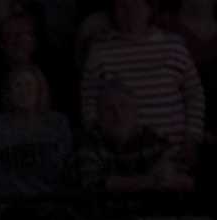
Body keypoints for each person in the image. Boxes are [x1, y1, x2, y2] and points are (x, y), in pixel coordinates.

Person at [81, 0, 206, 158]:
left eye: (135, 4)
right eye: (121, 6)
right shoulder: (100, 51)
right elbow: (89, 104)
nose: (129, 12)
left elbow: (194, 94)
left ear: (149, 8)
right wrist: (104, 147)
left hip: (176, 154)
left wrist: (192, 138)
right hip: (121, 159)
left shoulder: (174, 46)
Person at [0, 68, 77, 220]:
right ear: (9, 91)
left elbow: (71, 172)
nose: (24, 91)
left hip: (52, 214)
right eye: (18, 85)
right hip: (9, 214)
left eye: (29, 84)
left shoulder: (58, 124)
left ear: (40, 89)